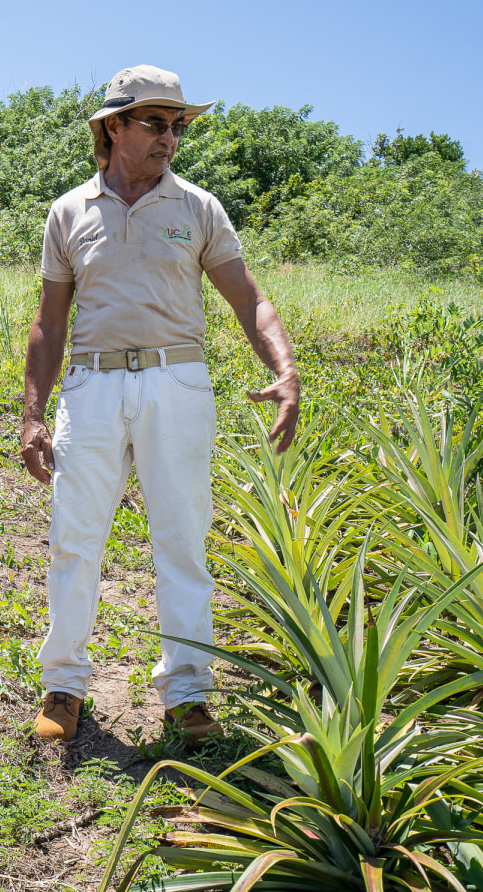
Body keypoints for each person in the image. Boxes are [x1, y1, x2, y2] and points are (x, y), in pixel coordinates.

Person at [20, 65, 301, 745]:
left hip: (177, 385)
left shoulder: (198, 209)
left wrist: (285, 370)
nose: (170, 137)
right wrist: (32, 412)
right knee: (74, 538)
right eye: (154, 122)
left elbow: (250, 299)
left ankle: (189, 693)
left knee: (182, 538)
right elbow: (49, 324)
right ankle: (64, 684)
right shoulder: (69, 211)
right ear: (112, 127)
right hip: (91, 387)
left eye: (178, 125)